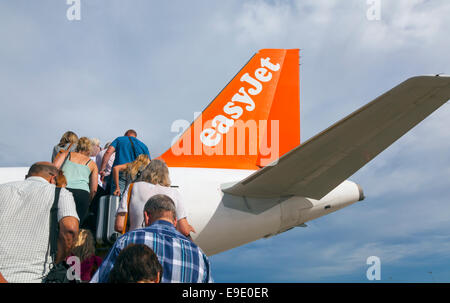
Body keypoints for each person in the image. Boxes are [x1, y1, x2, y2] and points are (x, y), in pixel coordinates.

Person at [91, 194, 213, 283]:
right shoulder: (199, 254)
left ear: (146, 216)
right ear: (175, 221)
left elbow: (101, 279)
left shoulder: (127, 240)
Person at [0, 162, 79, 283]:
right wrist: (58, 259)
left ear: (27, 176)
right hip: (36, 276)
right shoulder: (60, 193)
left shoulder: (2, 189)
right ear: (53, 178)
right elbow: (70, 228)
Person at [114, 159, 195, 238]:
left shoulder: (133, 187)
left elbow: (119, 226)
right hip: (164, 245)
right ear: (166, 175)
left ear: (146, 172)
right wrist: (188, 227)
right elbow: (184, 230)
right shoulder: (174, 193)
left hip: (136, 244)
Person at [54, 137, 98, 225]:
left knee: (57, 223)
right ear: (89, 149)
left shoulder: (66, 154)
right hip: (82, 194)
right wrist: (89, 200)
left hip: (63, 190)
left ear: (77, 146)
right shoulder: (93, 164)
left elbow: (53, 168)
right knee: (75, 227)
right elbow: (94, 189)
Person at [99, 129, 150, 196]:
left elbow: (108, 152)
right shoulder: (143, 145)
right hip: (136, 175)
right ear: (135, 136)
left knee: (117, 198)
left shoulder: (119, 139)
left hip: (119, 173)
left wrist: (102, 170)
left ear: (125, 134)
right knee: (130, 198)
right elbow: (149, 163)